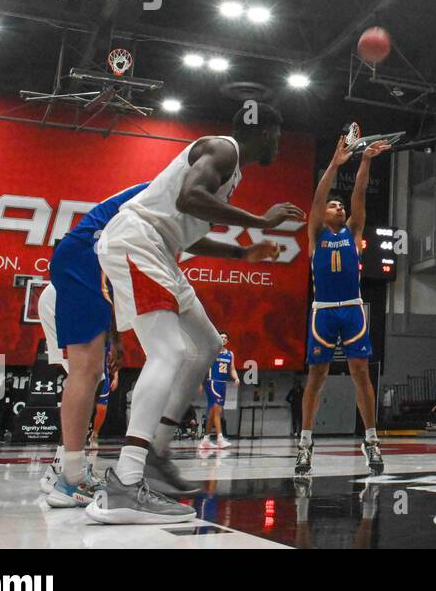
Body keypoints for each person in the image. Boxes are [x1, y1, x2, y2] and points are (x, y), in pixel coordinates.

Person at [87, 103, 298, 524]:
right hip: (139, 241)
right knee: (168, 352)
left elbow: (187, 228)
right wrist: (259, 221)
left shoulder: (229, 169)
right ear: (265, 133)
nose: (279, 143)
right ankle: (126, 483)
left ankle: (157, 452)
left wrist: (242, 251)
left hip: (163, 251)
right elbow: (190, 197)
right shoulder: (225, 150)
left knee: (205, 345)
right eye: (277, 134)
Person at [37, 181, 148, 507]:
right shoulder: (151, 211)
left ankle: (65, 466)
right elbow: (112, 289)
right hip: (69, 294)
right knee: (84, 377)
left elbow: (112, 291)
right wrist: (119, 340)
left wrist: (117, 341)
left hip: (70, 291)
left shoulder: (130, 221)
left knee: (85, 377)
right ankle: (64, 472)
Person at [295, 130, 392, 477]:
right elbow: (318, 199)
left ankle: (371, 438)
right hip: (323, 310)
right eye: (333, 206)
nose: (337, 206)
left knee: (361, 373)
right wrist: (334, 165)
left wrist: (365, 160)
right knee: (316, 377)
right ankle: (305, 443)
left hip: (352, 307)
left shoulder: (353, 233)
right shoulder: (315, 234)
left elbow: (360, 194)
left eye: (339, 205)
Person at [200, 332, 238, 449]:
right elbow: (203, 367)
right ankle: (220, 438)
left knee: (212, 412)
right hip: (212, 382)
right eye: (221, 337)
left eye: (226, 337)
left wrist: (236, 378)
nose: (223, 339)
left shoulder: (230, 354)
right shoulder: (212, 352)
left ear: (228, 341)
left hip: (222, 384)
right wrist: (200, 382)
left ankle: (205, 440)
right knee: (217, 410)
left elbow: (232, 368)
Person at [87, 338, 120, 450]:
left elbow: (112, 359)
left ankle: (95, 434)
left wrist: (115, 377)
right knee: (84, 408)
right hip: (86, 375)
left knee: (101, 409)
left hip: (102, 377)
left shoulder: (106, 338)